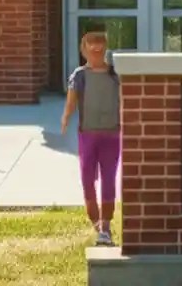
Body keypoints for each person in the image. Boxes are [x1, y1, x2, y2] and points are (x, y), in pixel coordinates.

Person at [60, 31, 121, 247]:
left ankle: (106, 226)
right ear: (84, 49)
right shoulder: (79, 75)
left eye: (100, 47)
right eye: (91, 47)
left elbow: (125, 100)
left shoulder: (115, 74)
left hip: (112, 134)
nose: (96, 51)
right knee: (87, 179)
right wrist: (66, 117)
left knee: (109, 179)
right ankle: (95, 221)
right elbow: (71, 101)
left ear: (105, 49)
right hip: (88, 134)